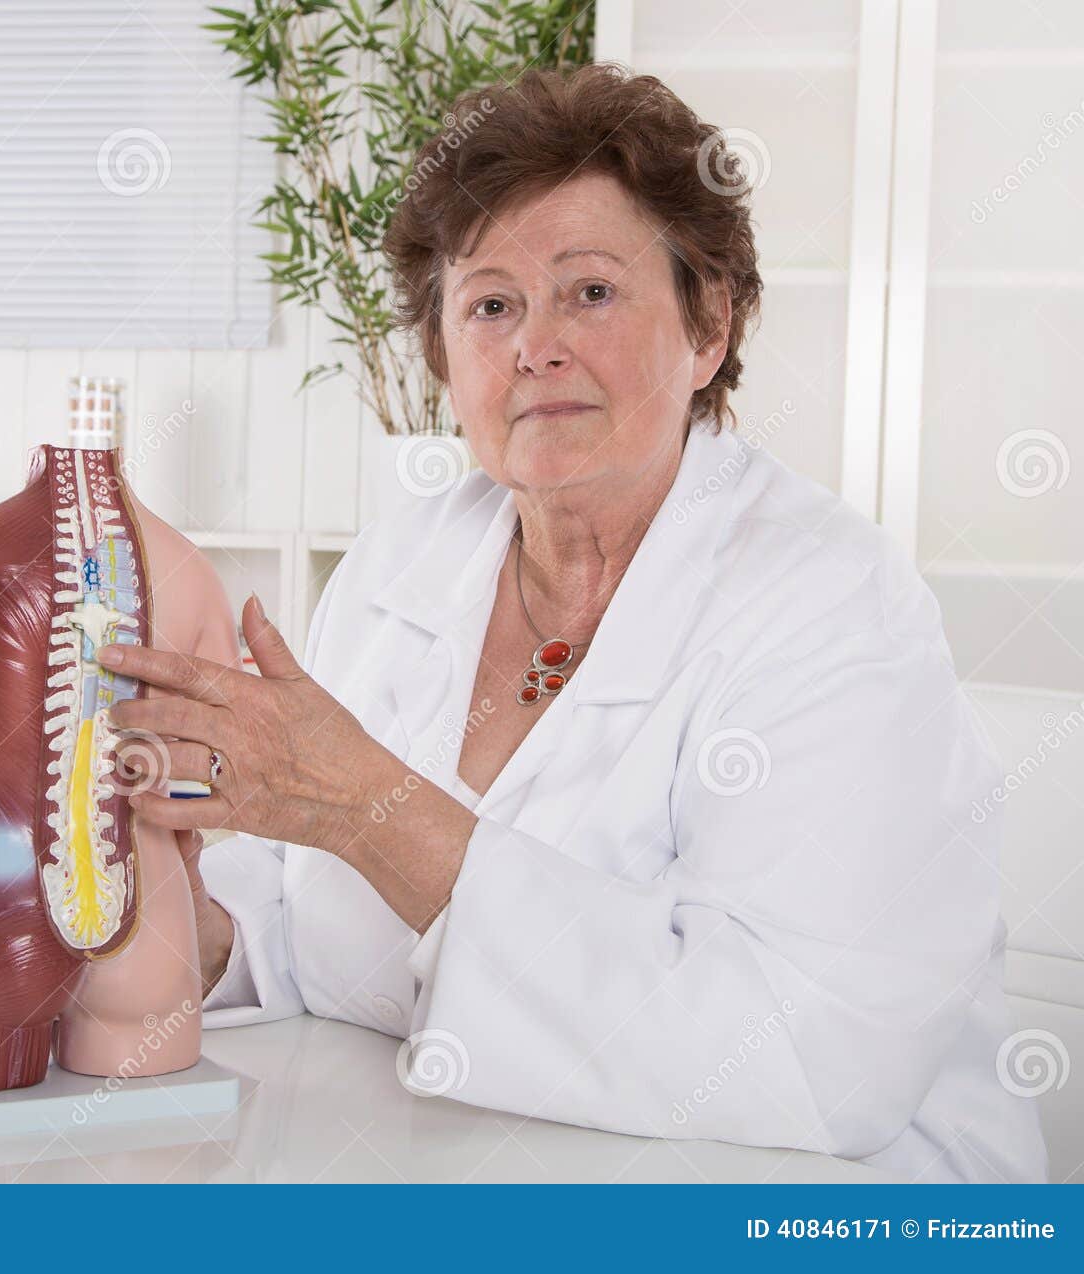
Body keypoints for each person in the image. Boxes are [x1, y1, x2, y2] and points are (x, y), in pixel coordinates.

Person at [94, 63, 1048, 1184]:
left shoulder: (833, 605)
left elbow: (803, 1058)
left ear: (707, 326)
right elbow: (297, 932)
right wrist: (150, 917)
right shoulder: (405, 563)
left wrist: (369, 808)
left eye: (589, 291)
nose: (533, 344)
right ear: (446, 355)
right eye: (489, 303)